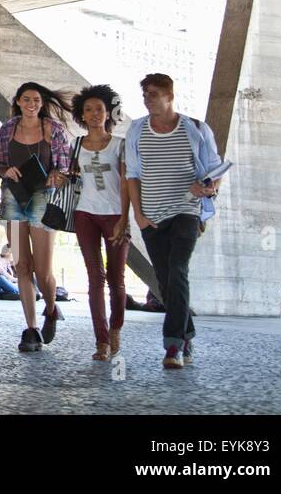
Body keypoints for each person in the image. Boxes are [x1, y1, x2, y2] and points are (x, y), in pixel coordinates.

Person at [124, 73, 225, 369]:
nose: (147, 99)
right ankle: (187, 332)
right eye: (145, 94)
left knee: (178, 270)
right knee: (166, 282)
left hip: (186, 212)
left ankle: (173, 346)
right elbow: (132, 174)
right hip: (152, 218)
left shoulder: (195, 128)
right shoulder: (136, 130)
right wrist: (138, 216)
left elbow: (215, 171)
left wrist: (209, 189)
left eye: (153, 94)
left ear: (170, 95)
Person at [0, 82, 72, 352]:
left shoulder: (54, 130)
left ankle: (51, 309)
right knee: (23, 266)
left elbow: (66, 167)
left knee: (43, 270)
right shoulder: (7, 129)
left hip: (43, 198)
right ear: (18, 101)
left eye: (36, 100)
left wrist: (56, 174)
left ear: (41, 103)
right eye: (26, 99)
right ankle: (31, 329)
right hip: (14, 197)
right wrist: (6, 170)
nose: (31, 104)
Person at [70, 83, 129, 361]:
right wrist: (59, 176)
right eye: (88, 110)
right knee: (95, 277)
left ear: (108, 113)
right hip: (85, 214)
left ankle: (116, 326)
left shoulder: (120, 144)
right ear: (82, 114)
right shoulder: (75, 145)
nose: (94, 114)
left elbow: (129, 184)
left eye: (99, 109)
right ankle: (101, 341)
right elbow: (70, 177)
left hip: (116, 214)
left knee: (116, 278)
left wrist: (126, 218)